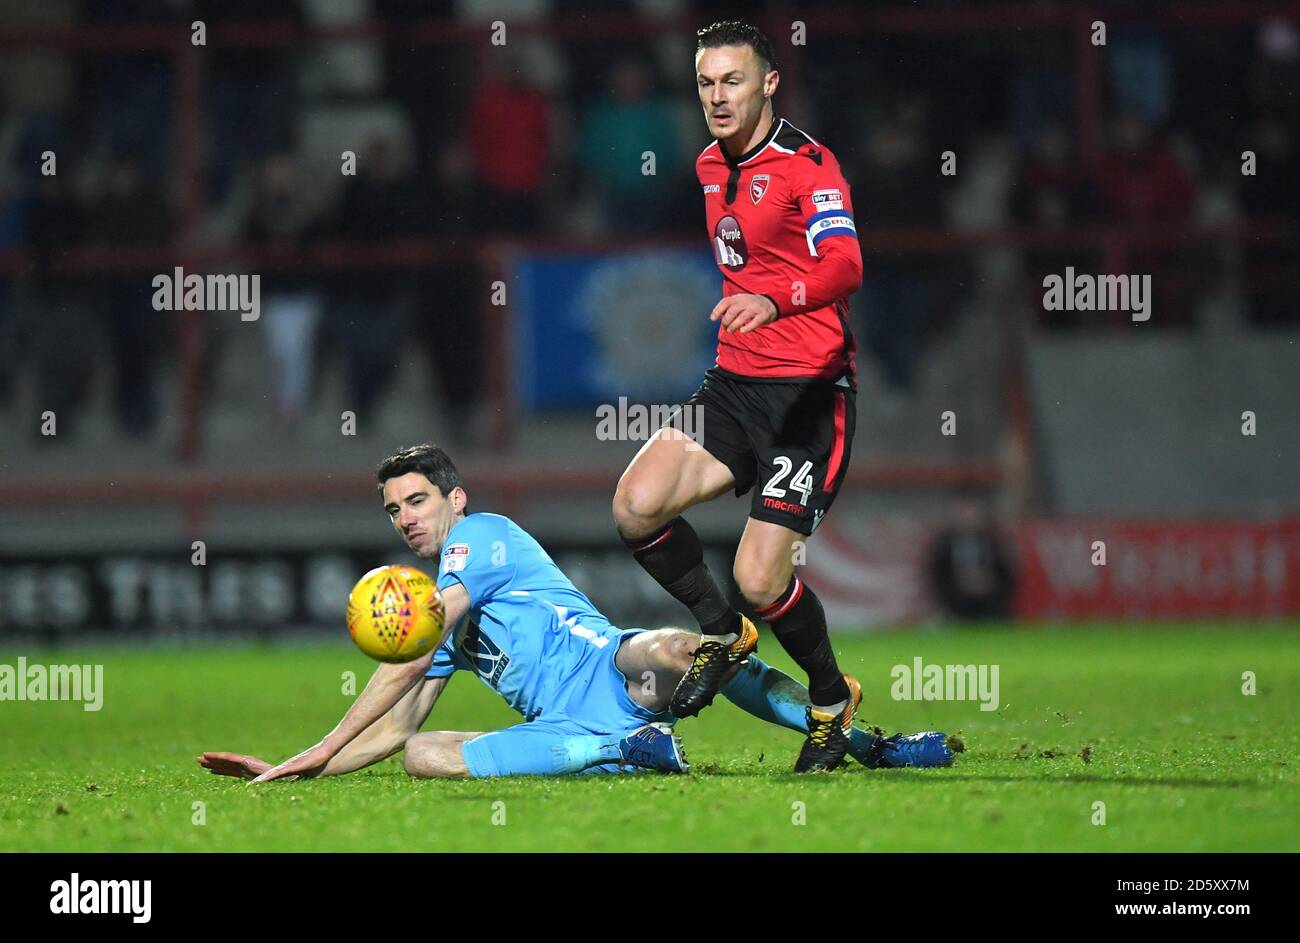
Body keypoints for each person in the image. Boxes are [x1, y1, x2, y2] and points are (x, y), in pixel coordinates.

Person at [199, 445, 952, 781]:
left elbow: (402, 659)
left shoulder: (482, 539)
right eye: (394, 508)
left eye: (417, 499)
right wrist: (306, 765)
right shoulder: (437, 621)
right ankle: (622, 752)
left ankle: (864, 742)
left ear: (455, 499)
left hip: (612, 670)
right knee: (421, 755)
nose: (405, 517)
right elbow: (397, 721)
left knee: (671, 647)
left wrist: (318, 744)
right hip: (560, 727)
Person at [612, 21, 866, 772]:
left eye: (732, 81)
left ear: (768, 82)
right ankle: (724, 634)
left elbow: (846, 264)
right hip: (733, 383)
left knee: (762, 576)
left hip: (809, 395)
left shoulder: (809, 166)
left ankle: (829, 698)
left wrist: (779, 299)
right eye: (705, 83)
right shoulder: (705, 164)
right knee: (635, 505)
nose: (717, 97)